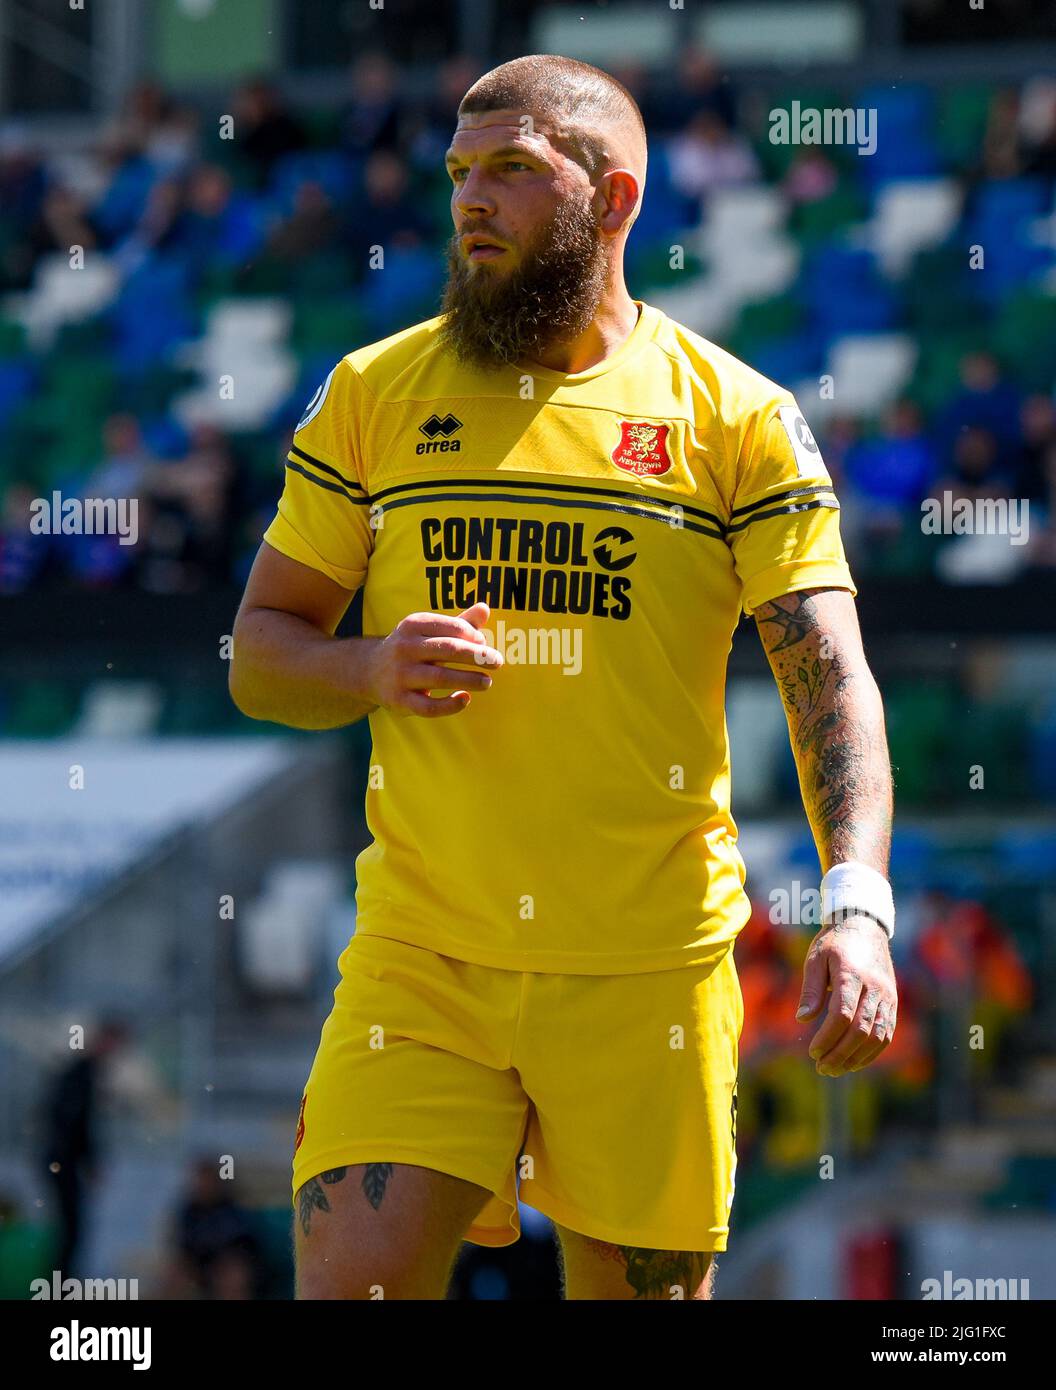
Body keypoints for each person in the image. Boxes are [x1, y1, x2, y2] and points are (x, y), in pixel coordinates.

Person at [229, 54, 897, 1301]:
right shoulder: (372, 395)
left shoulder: (736, 419)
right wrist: (372, 663)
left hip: (648, 970)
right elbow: (261, 653)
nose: (470, 202)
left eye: (515, 174)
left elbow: (829, 677)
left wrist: (856, 904)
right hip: (423, 958)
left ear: (617, 197)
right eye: (458, 175)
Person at [39, 1017, 130, 1279]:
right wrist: (88, 1160)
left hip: (60, 1159)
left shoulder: (79, 1072)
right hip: (62, 1160)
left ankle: (60, 1283)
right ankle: (61, 1285)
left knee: (70, 1228)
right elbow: (75, 1123)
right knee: (71, 1228)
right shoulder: (83, 1073)